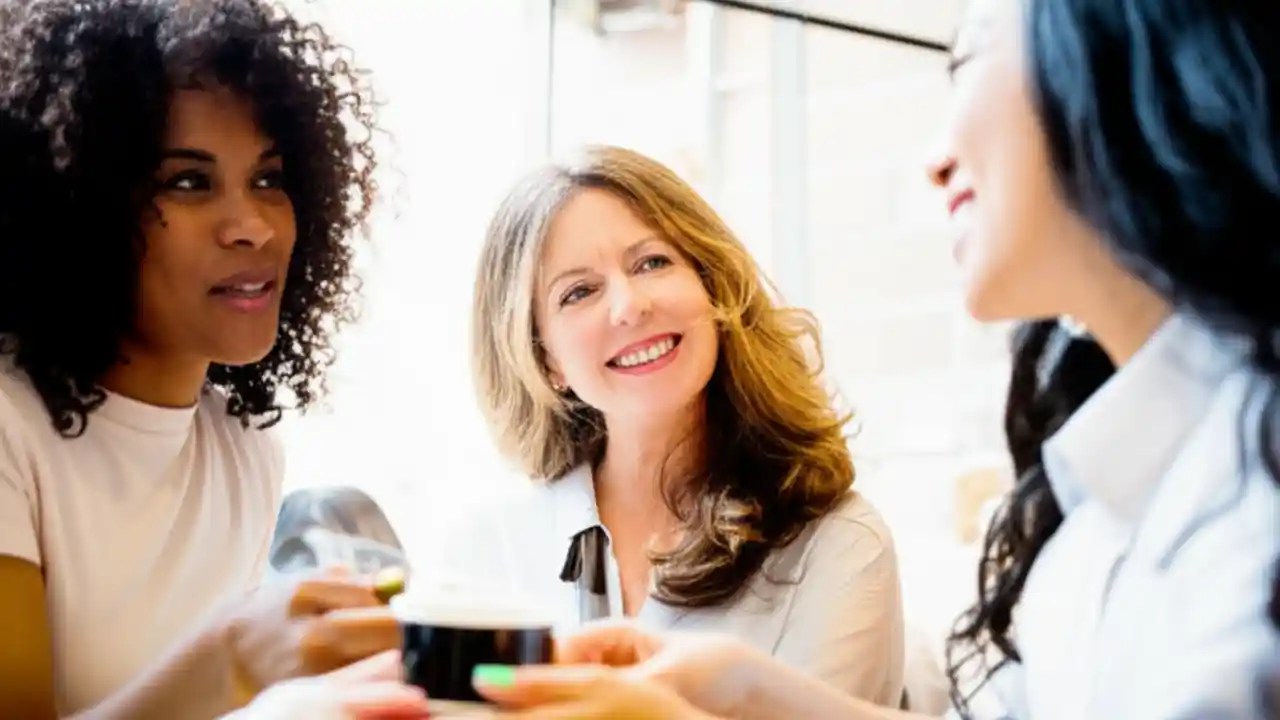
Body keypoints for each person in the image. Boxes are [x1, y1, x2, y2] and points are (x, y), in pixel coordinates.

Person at [461, 0, 1280, 717]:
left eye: (971, 60)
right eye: (576, 293)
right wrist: (740, 687)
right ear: (541, 359)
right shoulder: (1092, 513)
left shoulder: (1234, 507)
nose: (935, 158)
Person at [0, 1, 417, 717]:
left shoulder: (245, 449)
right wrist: (236, 655)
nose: (252, 226)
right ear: (78, 206)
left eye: (269, 178)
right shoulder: (10, 429)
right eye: (188, 182)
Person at [447, 144, 905, 706]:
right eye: (580, 292)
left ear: (712, 286)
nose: (629, 305)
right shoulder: (486, 553)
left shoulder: (837, 544)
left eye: (652, 262)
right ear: (546, 361)